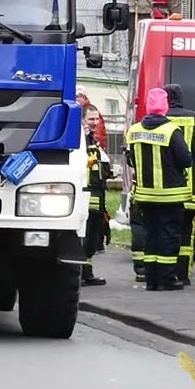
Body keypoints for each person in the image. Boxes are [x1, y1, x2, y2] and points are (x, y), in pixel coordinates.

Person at [125, 87, 193, 291]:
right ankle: (166, 279)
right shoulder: (171, 130)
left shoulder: (134, 130)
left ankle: (151, 279)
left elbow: (130, 160)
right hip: (170, 195)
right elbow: (185, 160)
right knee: (169, 236)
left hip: (145, 195)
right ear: (164, 108)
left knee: (151, 236)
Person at [163, 84, 195, 286]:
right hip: (189, 186)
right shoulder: (193, 117)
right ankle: (182, 274)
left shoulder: (158, 119)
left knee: (167, 230)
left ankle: (165, 273)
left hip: (164, 188)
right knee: (186, 232)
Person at [81, 104, 109, 286]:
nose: (95, 122)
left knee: (93, 239)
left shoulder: (93, 141)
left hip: (97, 200)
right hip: (85, 198)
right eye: (91, 119)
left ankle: (87, 272)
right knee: (84, 237)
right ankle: (81, 273)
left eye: (97, 119)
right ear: (82, 120)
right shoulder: (80, 141)